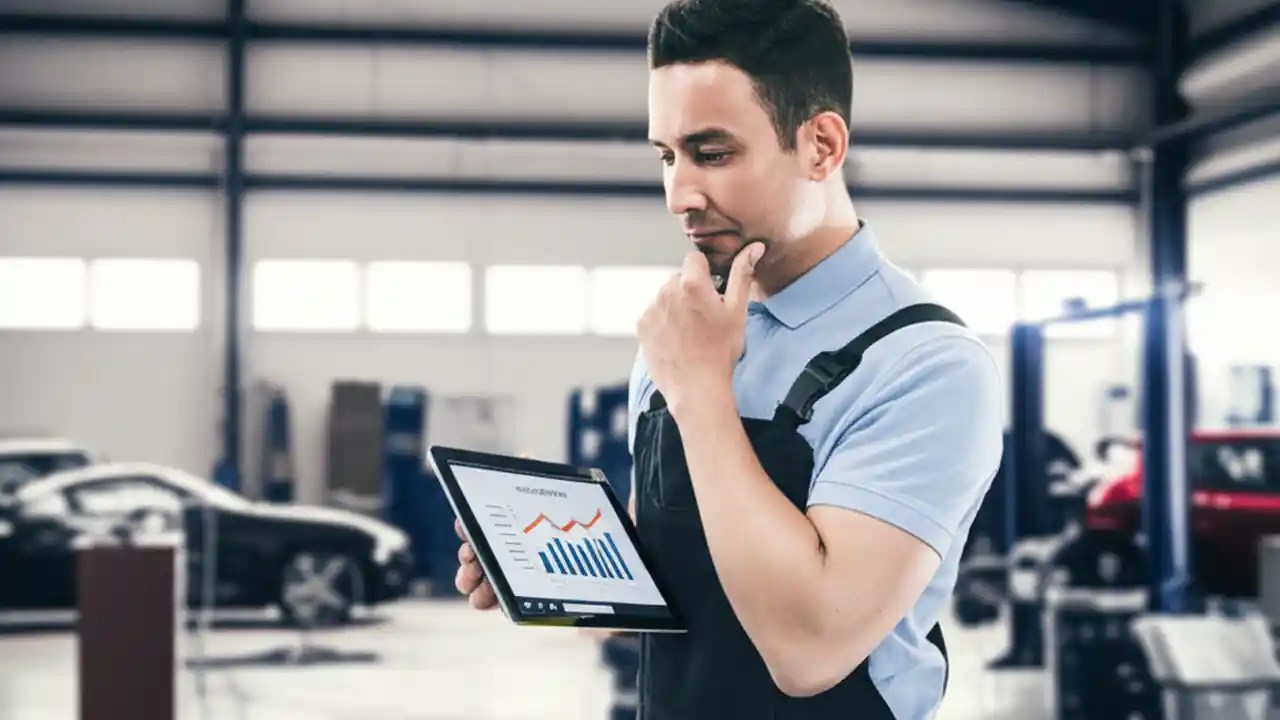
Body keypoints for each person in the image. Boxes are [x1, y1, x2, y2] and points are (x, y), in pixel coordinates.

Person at [455, 0, 1004, 717]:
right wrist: (546, 568)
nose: (680, 195)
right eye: (666, 155)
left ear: (821, 147)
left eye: (713, 153)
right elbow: (677, 584)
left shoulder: (926, 366)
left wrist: (702, 390)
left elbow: (809, 650)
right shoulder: (682, 341)